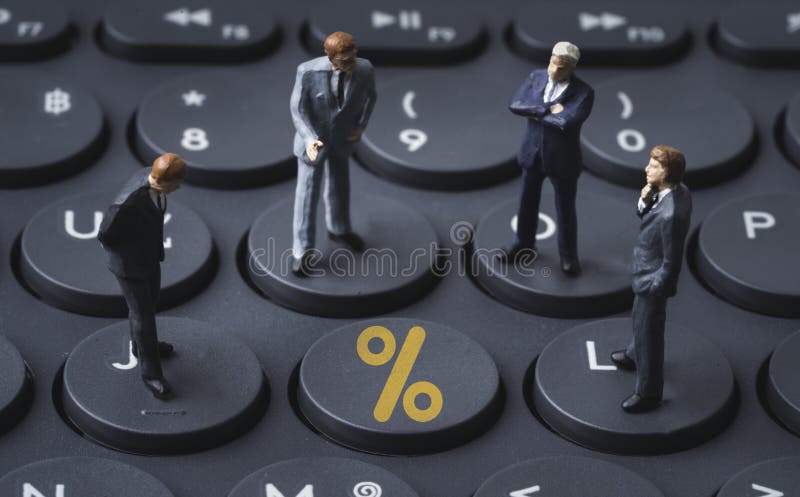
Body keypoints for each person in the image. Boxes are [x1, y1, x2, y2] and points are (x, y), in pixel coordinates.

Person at [498, 41, 594, 276]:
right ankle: (522, 244)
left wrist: (535, 110)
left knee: (565, 209)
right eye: (552, 63)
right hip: (532, 153)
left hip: (562, 160)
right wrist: (547, 109)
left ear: (571, 68)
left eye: (561, 68)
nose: (554, 70)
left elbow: (566, 122)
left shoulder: (584, 92)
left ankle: (568, 256)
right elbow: (515, 104)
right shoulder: (536, 77)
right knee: (526, 202)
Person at [97, 153, 187, 399]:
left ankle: (142, 346)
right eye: (177, 184)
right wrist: (128, 252)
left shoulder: (152, 179)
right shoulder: (128, 204)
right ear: (165, 182)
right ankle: (151, 375)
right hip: (129, 267)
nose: (178, 188)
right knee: (143, 317)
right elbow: (105, 233)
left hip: (149, 258)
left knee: (149, 306)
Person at [611, 145, 692, 413]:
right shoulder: (675, 191)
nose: (647, 169)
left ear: (667, 173)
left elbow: (672, 258)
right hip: (645, 271)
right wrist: (644, 200)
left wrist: (658, 284)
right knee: (639, 318)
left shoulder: (672, 215)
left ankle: (648, 392)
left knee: (649, 334)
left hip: (652, 278)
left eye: (655, 166)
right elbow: (644, 215)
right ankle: (634, 355)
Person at [289, 31, 377, 276]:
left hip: (342, 139)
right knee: (307, 194)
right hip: (313, 143)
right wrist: (309, 138)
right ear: (329, 56)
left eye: (352, 57)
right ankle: (302, 251)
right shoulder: (307, 72)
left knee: (340, 185)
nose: (349, 63)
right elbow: (298, 110)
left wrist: (361, 126)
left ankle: (339, 228)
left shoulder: (365, 69)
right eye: (343, 60)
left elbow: (371, 97)